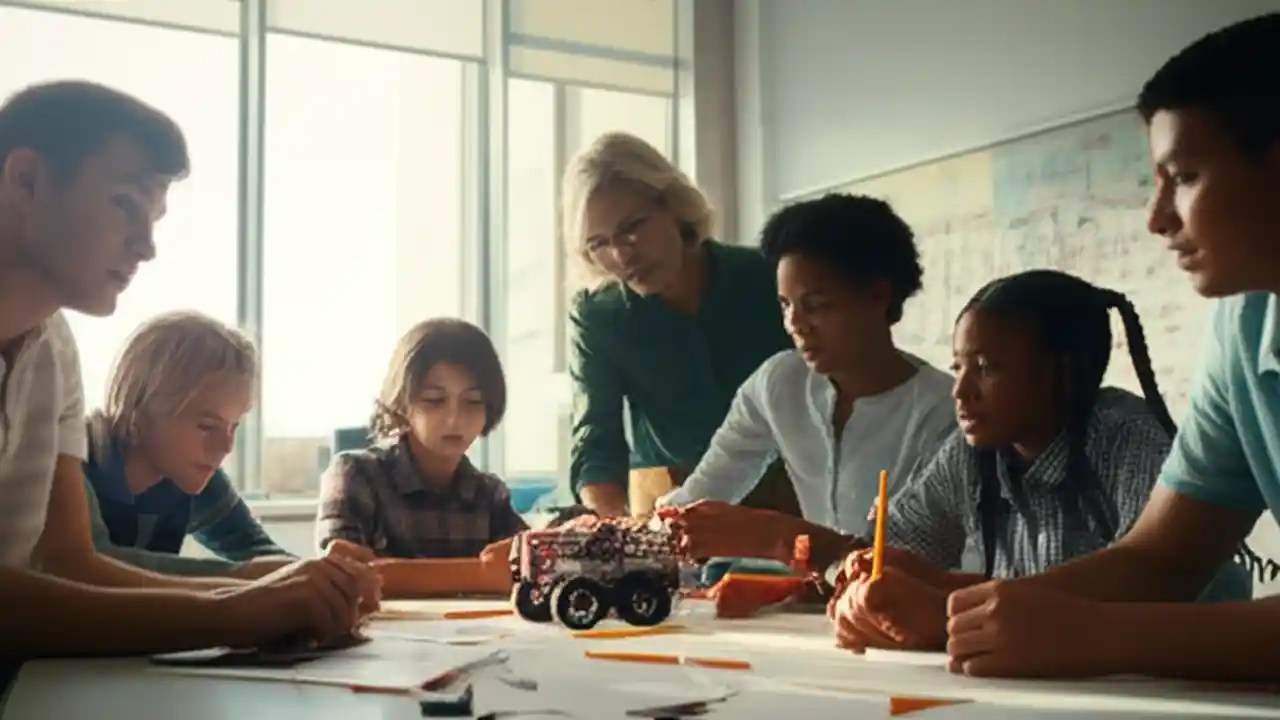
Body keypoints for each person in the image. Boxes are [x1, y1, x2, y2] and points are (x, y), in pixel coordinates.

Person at [939, 13, 1280, 681]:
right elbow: (1160, 559)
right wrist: (961, 616)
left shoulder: (1124, 431)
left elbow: (1129, 605)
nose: (1157, 218)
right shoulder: (1246, 322)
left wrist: (1101, 633)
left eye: (1182, 176)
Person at [0, 81, 376, 684]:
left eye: (153, 219)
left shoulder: (54, 351)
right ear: (26, 181)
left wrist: (272, 591)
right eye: (125, 204)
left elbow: (70, 561)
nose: (146, 246)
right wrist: (236, 607)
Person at [829, 270, 1250, 653]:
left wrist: (945, 606)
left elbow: (1149, 582)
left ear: (1061, 372)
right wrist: (881, 574)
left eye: (987, 368)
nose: (961, 392)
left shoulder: (1127, 438)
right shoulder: (970, 452)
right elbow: (904, 544)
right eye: (958, 367)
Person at [655, 194, 955, 566]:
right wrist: (641, 537)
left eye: (815, 305)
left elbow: (919, 561)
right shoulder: (779, 384)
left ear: (878, 296)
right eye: (785, 305)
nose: (795, 325)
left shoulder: (944, 413)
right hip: (816, 609)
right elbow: (707, 489)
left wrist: (774, 536)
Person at [564, 132, 796, 519]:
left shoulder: (766, 277)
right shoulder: (598, 315)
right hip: (667, 506)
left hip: (787, 498)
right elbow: (596, 445)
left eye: (633, 227)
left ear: (674, 206)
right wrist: (612, 533)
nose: (621, 255)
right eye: (598, 243)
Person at [316, 318, 525, 596]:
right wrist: (482, 573)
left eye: (473, 402)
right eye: (434, 400)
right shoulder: (357, 474)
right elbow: (340, 575)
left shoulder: (489, 494)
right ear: (403, 402)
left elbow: (526, 568)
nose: (454, 419)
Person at [82, 312, 294, 579]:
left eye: (234, 426)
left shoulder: (192, 475)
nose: (226, 446)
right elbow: (89, 562)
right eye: (207, 426)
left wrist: (335, 575)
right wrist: (241, 575)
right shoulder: (74, 461)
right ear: (139, 408)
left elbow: (258, 551)